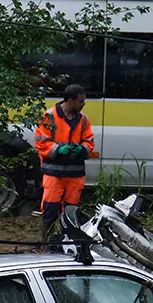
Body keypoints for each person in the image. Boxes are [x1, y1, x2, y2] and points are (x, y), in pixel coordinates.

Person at [33, 83, 96, 233]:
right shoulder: (49, 116)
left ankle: (66, 242)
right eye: (81, 101)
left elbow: (89, 141)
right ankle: (46, 242)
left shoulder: (84, 120)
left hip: (75, 174)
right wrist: (58, 150)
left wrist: (82, 149)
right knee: (50, 208)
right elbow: (41, 142)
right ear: (71, 100)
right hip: (54, 173)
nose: (83, 104)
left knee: (71, 212)